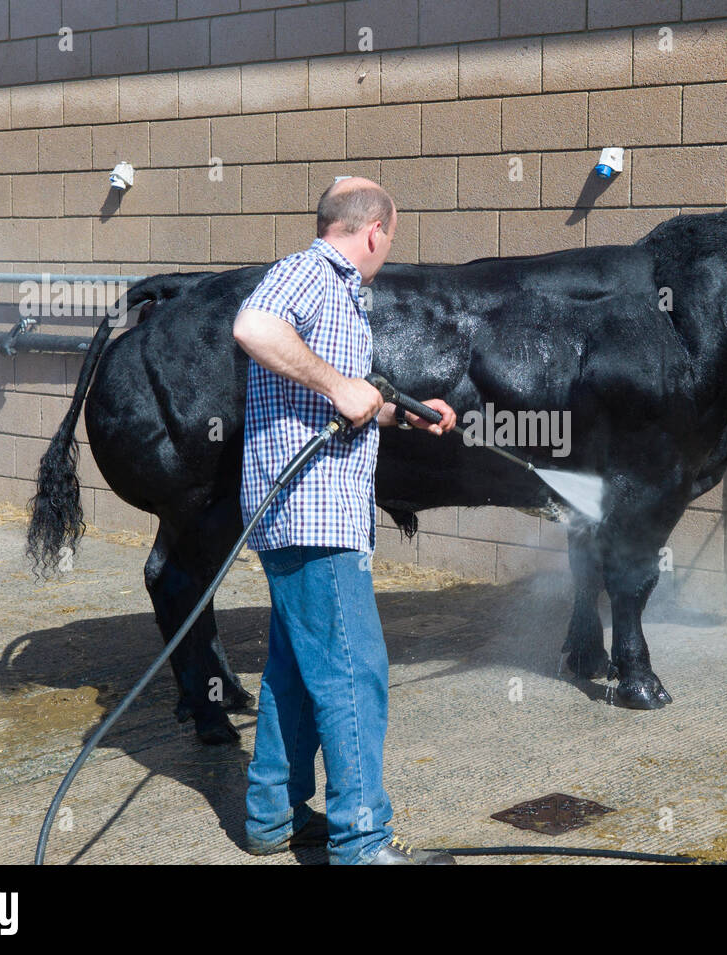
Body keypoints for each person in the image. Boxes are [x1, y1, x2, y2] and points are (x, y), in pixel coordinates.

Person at [232, 177, 458, 865]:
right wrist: (337, 384)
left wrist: (408, 411)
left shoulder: (339, 293)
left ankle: (272, 815)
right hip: (311, 511)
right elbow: (252, 327)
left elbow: (350, 402)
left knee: (297, 668)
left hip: (308, 509)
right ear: (374, 231)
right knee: (356, 671)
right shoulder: (307, 272)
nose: (388, 249)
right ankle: (363, 843)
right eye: (391, 237)